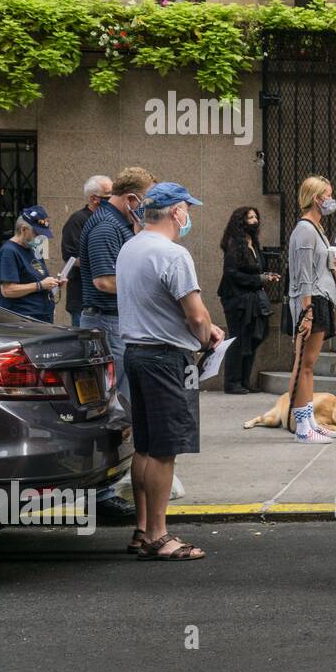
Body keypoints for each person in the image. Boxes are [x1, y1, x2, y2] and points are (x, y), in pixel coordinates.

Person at [118, 182, 223, 561]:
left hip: (136, 353)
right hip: (166, 358)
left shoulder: (130, 247)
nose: (188, 216)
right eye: (187, 209)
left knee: (145, 446)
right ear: (177, 212)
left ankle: (143, 529)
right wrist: (207, 335)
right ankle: (159, 537)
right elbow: (195, 315)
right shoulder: (173, 254)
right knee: (164, 450)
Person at [80, 166, 158, 400]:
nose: (149, 207)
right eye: (146, 200)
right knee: (116, 395)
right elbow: (104, 282)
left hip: (115, 321)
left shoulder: (118, 223)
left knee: (123, 392)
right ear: (131, 198)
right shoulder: (105, 226)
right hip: (108, 321)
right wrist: (149, 289)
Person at [286, 175, 336, 443]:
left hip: (318, 298)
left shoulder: (315, 228)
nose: (330, 200)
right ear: (315, 197)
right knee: (303, 365)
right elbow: (302, 276)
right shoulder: (306, 230)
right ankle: (302, 426)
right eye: (327, 195)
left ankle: (309, 421)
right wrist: (307, 311)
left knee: (308, 365)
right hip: (310, 302)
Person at [217, 206, 279, 394]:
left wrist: (266, 276)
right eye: (250, 217)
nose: (254, 221)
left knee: (255, 336)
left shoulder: (253, 242)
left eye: (255, 217)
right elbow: (232, 273)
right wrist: (259, 279)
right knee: (238, 338)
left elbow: (255, 269)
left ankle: (244, 381)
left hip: (252, 297)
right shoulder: (233, 243)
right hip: (236, 298)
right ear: (240, 221)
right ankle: (232, 382)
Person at [61, 175, 112, 327]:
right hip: (83, 299)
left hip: (106, 301)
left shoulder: (111, 219)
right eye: (108, 196)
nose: (113, 200)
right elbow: (71, 257)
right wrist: (102, 263)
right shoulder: (77, 220)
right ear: (93, 199)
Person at [0, 206, 61, 323]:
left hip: (41, 316)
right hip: (23, 319)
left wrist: (54, 283)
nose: (40, 238)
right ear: (23, 230)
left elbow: (39, 277)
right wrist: (40, 285)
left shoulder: (33, 249)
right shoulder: (9, 252)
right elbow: (7, 290)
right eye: (37, 233)